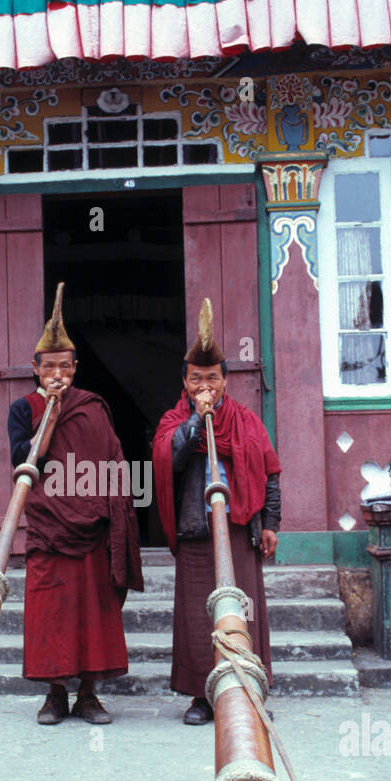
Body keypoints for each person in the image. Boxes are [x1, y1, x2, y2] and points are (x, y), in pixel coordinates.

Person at [7, 285, 143, 725]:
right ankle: (53, 695)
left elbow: (113, 460)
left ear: (76, 368)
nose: (58, 375)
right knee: (51, 610)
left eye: (65, 367)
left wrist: (114, 513)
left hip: (93, 524)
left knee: (93, 611)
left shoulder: (93, 407)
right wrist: (50, 410)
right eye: (50, 368)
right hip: (49, 525)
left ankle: (88, 695)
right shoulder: (22, 409)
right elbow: (28, 460)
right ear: (36, 369)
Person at [153, 298, 281, 724]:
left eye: (211, 378)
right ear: (184, 383)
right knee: (197, 614)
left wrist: (272, 524)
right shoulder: (175, 420)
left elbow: (270, 471)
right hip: (196, 530)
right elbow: (166, 458)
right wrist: (195, 423)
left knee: (243, 611)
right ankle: (201, 696)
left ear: (226, 380)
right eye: (195, 379)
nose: (204, 385)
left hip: (241, 529)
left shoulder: (246, 421)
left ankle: (248, 689)